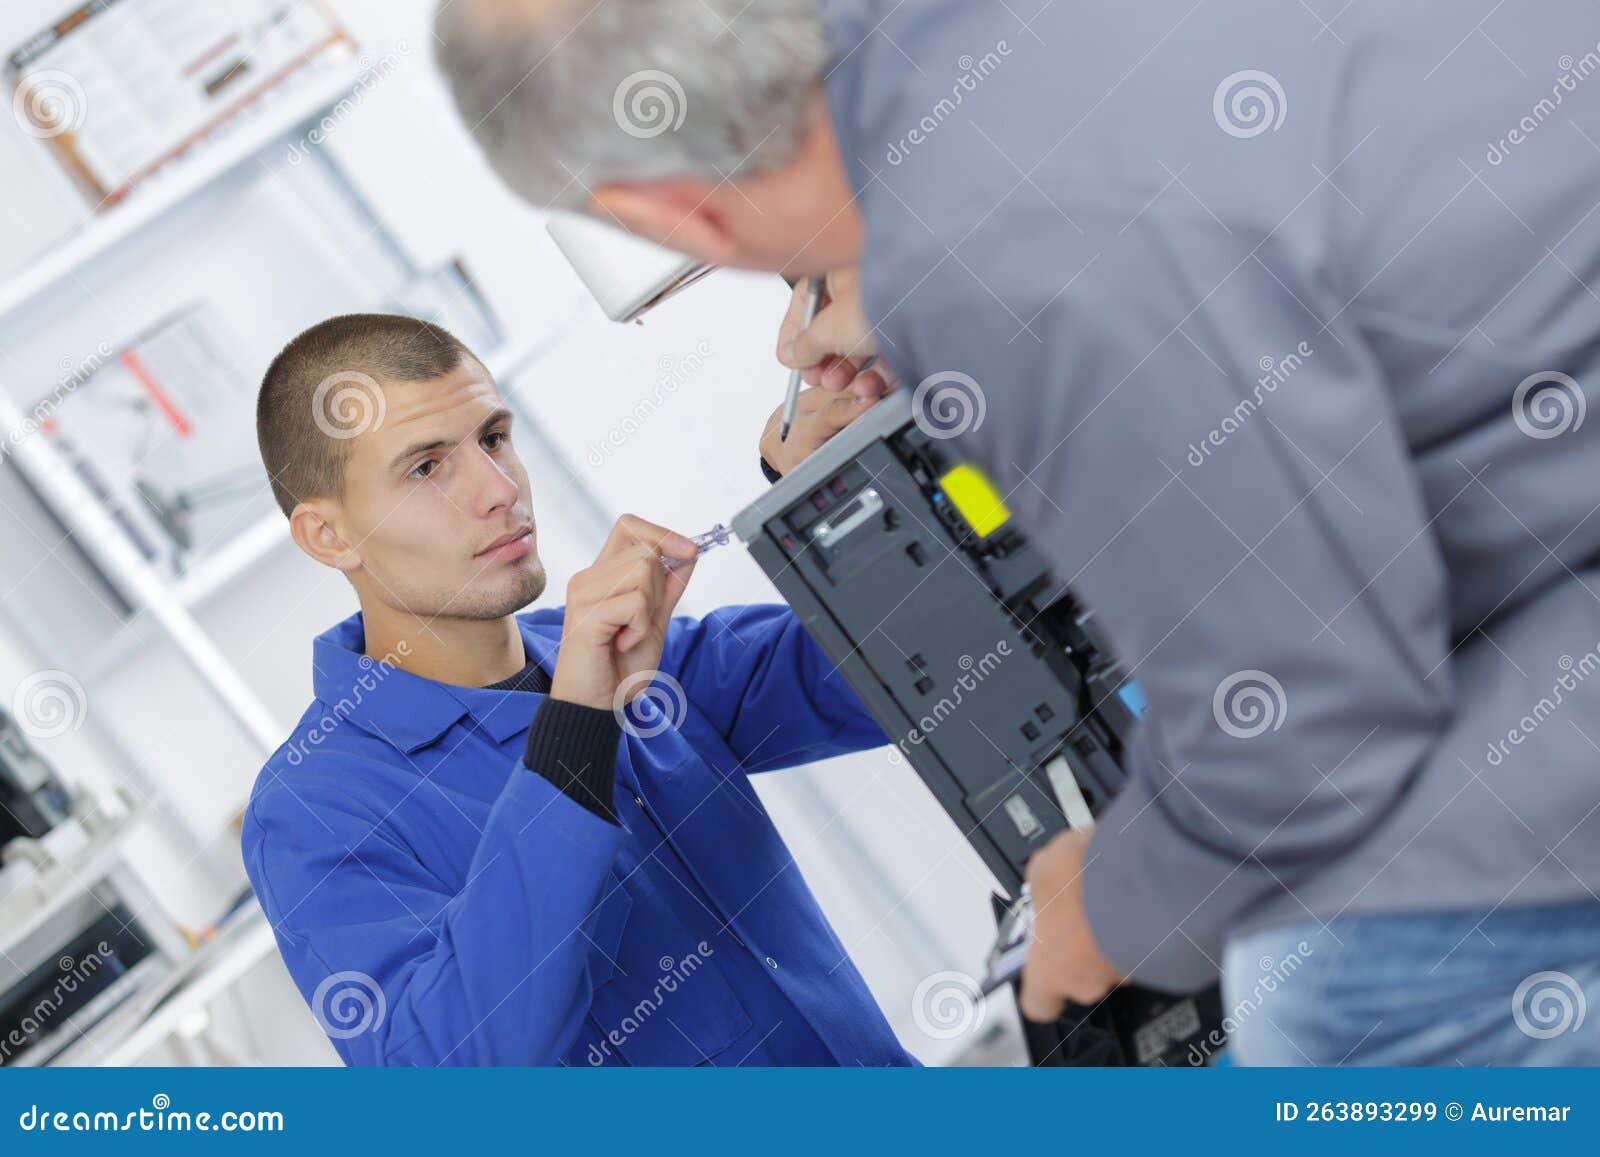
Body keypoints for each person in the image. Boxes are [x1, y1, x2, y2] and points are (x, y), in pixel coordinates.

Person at [433, 0, 1600, 1064]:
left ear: (663, 210)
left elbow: (1313, 715)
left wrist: (1113, 904)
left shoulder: (994, 247)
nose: (795, 341)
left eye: (486, 439)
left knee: (1326, 994)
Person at [241, 313, 914, 1066]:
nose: (500, 490)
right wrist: (578, 731)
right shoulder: (312, 808)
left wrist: (837, 493)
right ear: (328, 536)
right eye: (426, 468)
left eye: (493, 438)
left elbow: (906, 663)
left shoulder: (630, 652)